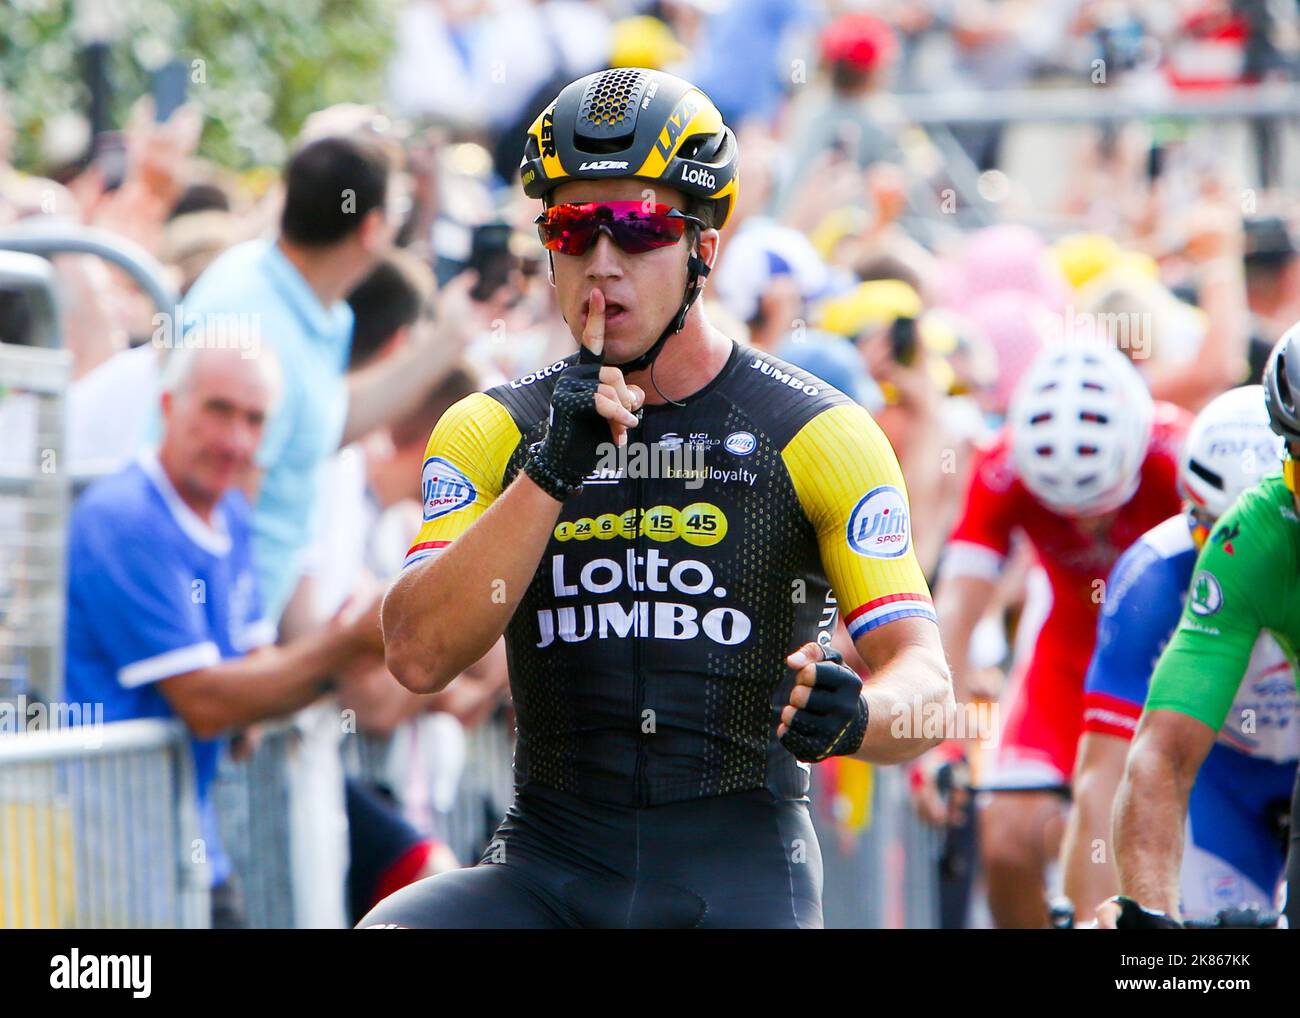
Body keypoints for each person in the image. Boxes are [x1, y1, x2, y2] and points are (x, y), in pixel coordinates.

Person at [363, 67, 952, 929]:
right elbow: (417, 657)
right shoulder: (490, 429)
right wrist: (547, 476)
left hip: (735, 874)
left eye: (639, 229)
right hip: (547, 867)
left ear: (703, 248)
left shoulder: (818, 431)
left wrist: (860, 713)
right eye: (573, 230)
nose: (602, 265)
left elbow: (930, 686)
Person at [63, 344, 382, 927]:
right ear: (168, 406)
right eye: (218, 410)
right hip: (108, 858)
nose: (235, 439)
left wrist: (267, 686)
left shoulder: (230, 514)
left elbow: (252, 675)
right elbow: (210, 702)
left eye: (254, 419)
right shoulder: (127, 518)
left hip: (188, 844)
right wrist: (353, 643)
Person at [934, 340, 1190, 928]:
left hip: (1171, 667)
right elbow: (955, 614)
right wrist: (941, 742)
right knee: (1004, 840)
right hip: (1065, 666)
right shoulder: (1000, 468)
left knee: (1122, 850)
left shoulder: (1178, 454)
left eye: (1103, 506)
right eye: (1065, 512)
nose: (1086, 527)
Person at [1062, 385, 1297, 922]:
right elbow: (1109, 771)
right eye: (1207, 531)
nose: (1233, 554)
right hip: (1222, 785)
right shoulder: (1150, 577)